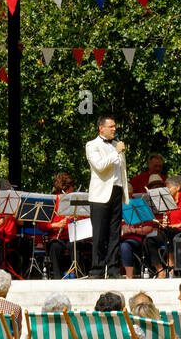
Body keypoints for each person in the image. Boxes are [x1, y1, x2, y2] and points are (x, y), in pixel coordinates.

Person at [86, 114, 128, 279]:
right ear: (101, 128)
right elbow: (100, 166)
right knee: (99, 233)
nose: (114, 129)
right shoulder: (92, 145)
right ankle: (96, 269)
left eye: (115, 126)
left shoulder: (117, 144)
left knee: (114, 232)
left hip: (116, 190)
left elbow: (121, 171)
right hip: (100, 195)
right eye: (111, 126)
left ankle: (113, 269)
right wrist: (115, 153)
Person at [45, 173, 85, 279]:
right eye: (72, 187)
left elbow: (81, 220)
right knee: (54, 247)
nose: (73, 190)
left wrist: (76, 218)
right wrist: (56, 225)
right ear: (67, 188)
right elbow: (42, 225)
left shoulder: (73, 200)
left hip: (71, 237)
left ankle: (78, 275)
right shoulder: (51, 201)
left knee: (77, 244)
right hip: (56, 237)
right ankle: (57, 277)